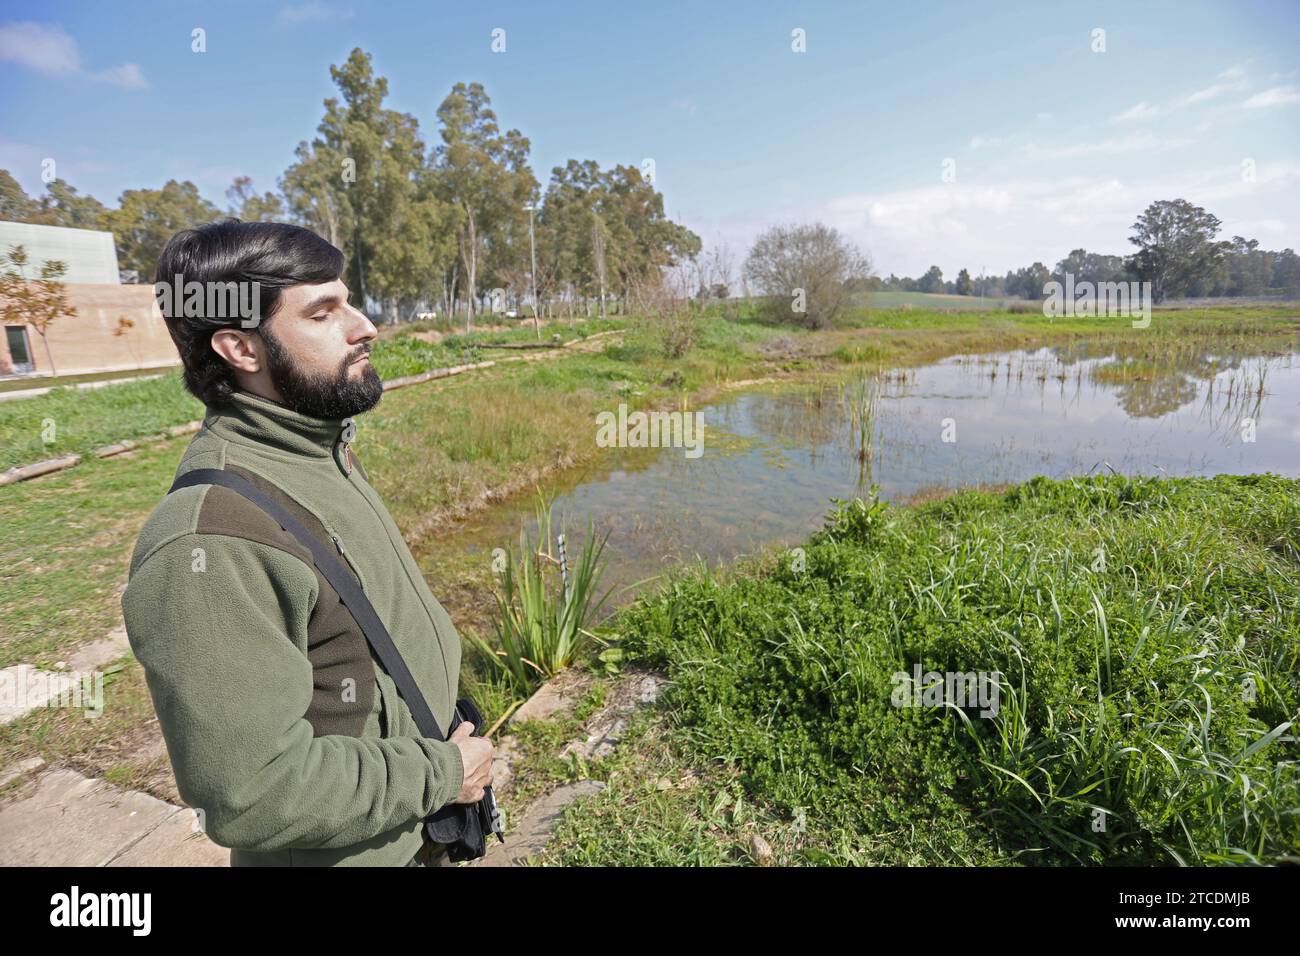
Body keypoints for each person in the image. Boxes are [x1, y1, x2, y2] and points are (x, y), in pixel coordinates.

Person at [121, 219, 494, 866]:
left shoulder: (318, 452)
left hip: (420, 832)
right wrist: (441, 774)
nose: (365, 325)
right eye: (324, 312)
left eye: (348, 300)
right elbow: (251, 793)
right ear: (241, 349)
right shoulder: (206, 542)